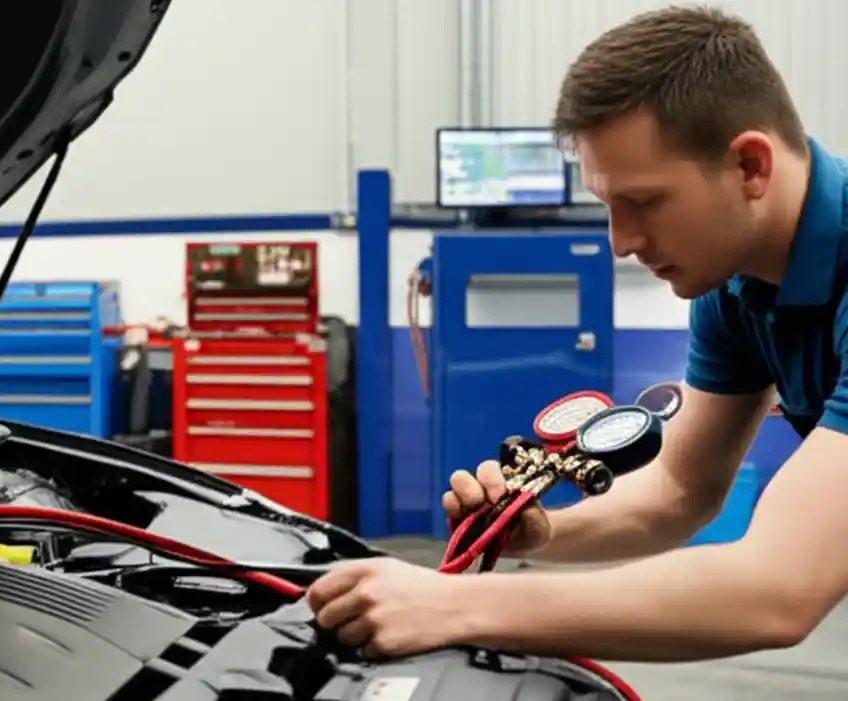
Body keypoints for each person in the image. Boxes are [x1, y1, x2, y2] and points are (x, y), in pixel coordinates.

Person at [307, 5, 848, 663]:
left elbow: (777, 590)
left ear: (750, 167)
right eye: (607, 205)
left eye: (643, 202)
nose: (620, 242)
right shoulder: (733, 286)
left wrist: (453, 605)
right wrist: (539, 532)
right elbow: (678, 491)